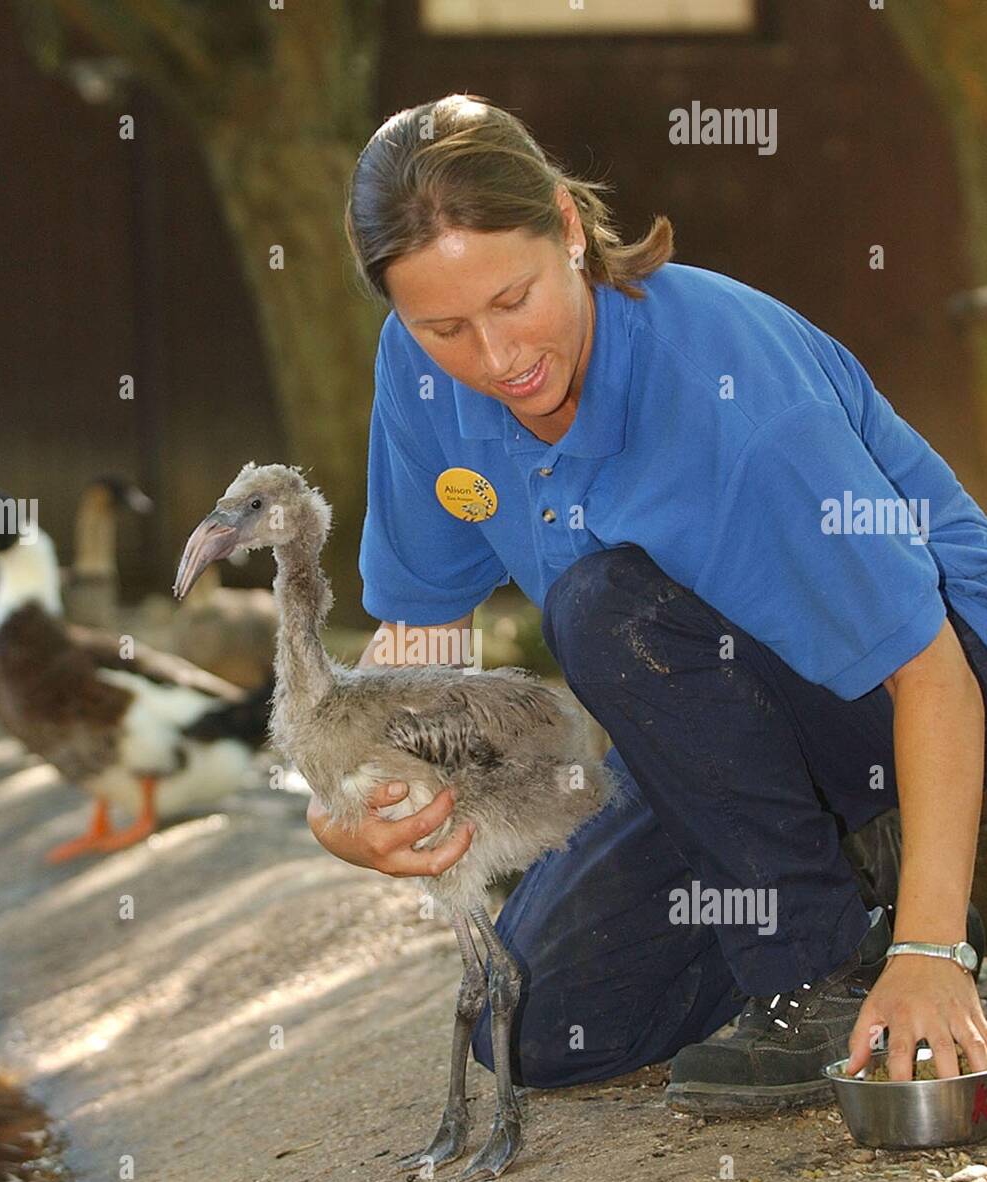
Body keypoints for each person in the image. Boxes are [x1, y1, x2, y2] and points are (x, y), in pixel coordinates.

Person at [307, 92, 987, 1115]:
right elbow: (422, 635)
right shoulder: (423, 377)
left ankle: (826, 964)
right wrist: (346, 803)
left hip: (933, 693)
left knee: (601, 606)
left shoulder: (730, 391)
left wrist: (932, 953)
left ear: (570, 229)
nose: (496, 360)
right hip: (730, 739)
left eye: (513, 299)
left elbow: (929, 671)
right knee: (530, 1022)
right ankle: (859, 880)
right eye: (443, 325)